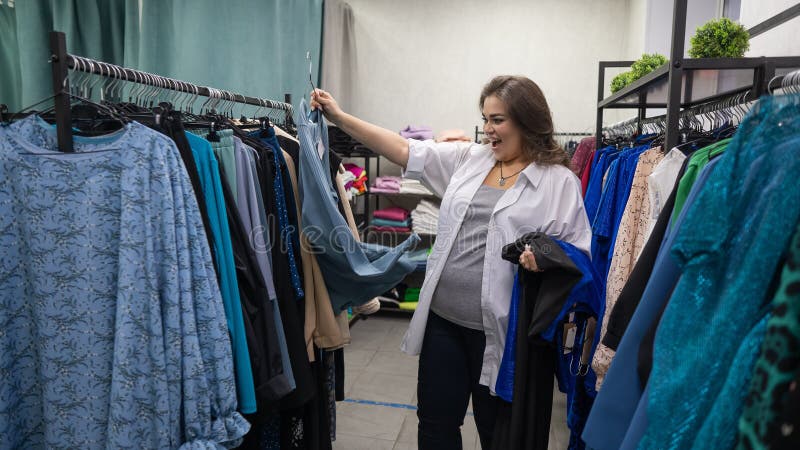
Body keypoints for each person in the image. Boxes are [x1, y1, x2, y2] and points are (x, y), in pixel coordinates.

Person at [311, 75, 592, 450]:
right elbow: (403, 149)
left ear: (527, 121)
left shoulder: (557, 182)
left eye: (498, 120)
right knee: (435, 426)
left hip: (502, 334)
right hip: (444, 323)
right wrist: (339, 117)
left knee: (498, 432)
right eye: (486, 119)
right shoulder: (471, 159)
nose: (488, 129)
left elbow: (578, 255)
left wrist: (544, 258)